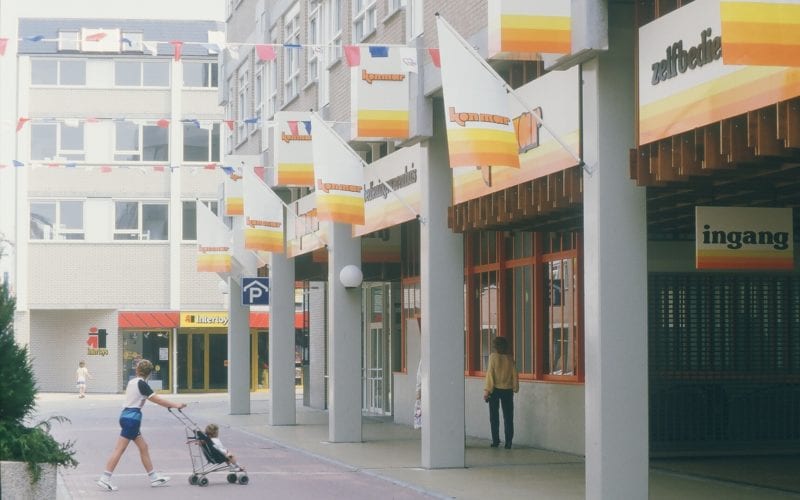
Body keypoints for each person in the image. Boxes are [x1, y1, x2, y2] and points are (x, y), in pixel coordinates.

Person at [97, 359, 186, 491]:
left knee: (143, 447)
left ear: (137, 370)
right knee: (119, 449)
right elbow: (158, 400)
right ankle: (105, 478)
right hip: (132, 420)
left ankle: (153, 477)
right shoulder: (142, 384)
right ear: (149, 373)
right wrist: (176, 405)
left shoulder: (132, 382)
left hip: (126, 416)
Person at [483, 336, 519, 449]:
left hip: (495, 390)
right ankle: (508, 442)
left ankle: (496, 441)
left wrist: (487, 391)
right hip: (508, 390)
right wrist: (515, 388)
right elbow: (515, 375)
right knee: (508, 417)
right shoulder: (510, 359)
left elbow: (490, 374)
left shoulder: (493, 357)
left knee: (494, 417)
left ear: (495, 346)